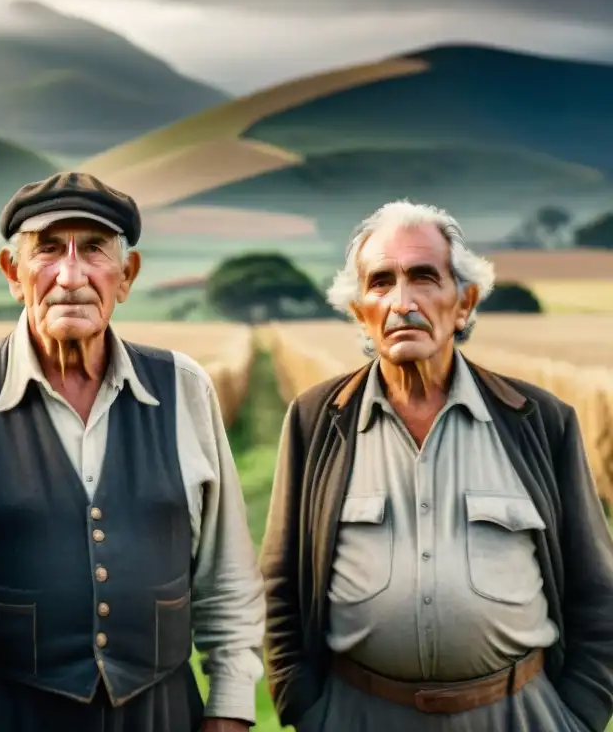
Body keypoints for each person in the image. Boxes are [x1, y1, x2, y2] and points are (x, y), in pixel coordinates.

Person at [0, 171, 265, 732]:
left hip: (162, 714)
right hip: (8, 716)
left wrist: (228, 708)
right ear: (14, 273)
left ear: (125, 276)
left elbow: (226, 575)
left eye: (95, 251)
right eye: (49, 250)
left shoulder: (185, 389)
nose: (71, 275)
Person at [259, 200, 613, 732]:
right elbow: (279, 585)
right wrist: (306, 708)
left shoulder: (539, 422)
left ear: (464, 302)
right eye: (380, 283)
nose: (402, 303)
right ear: (360, 312)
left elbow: (596, 590)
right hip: (357, 715)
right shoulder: (316, 421)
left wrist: (580, 713)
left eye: (424, 277)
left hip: (518, 715)